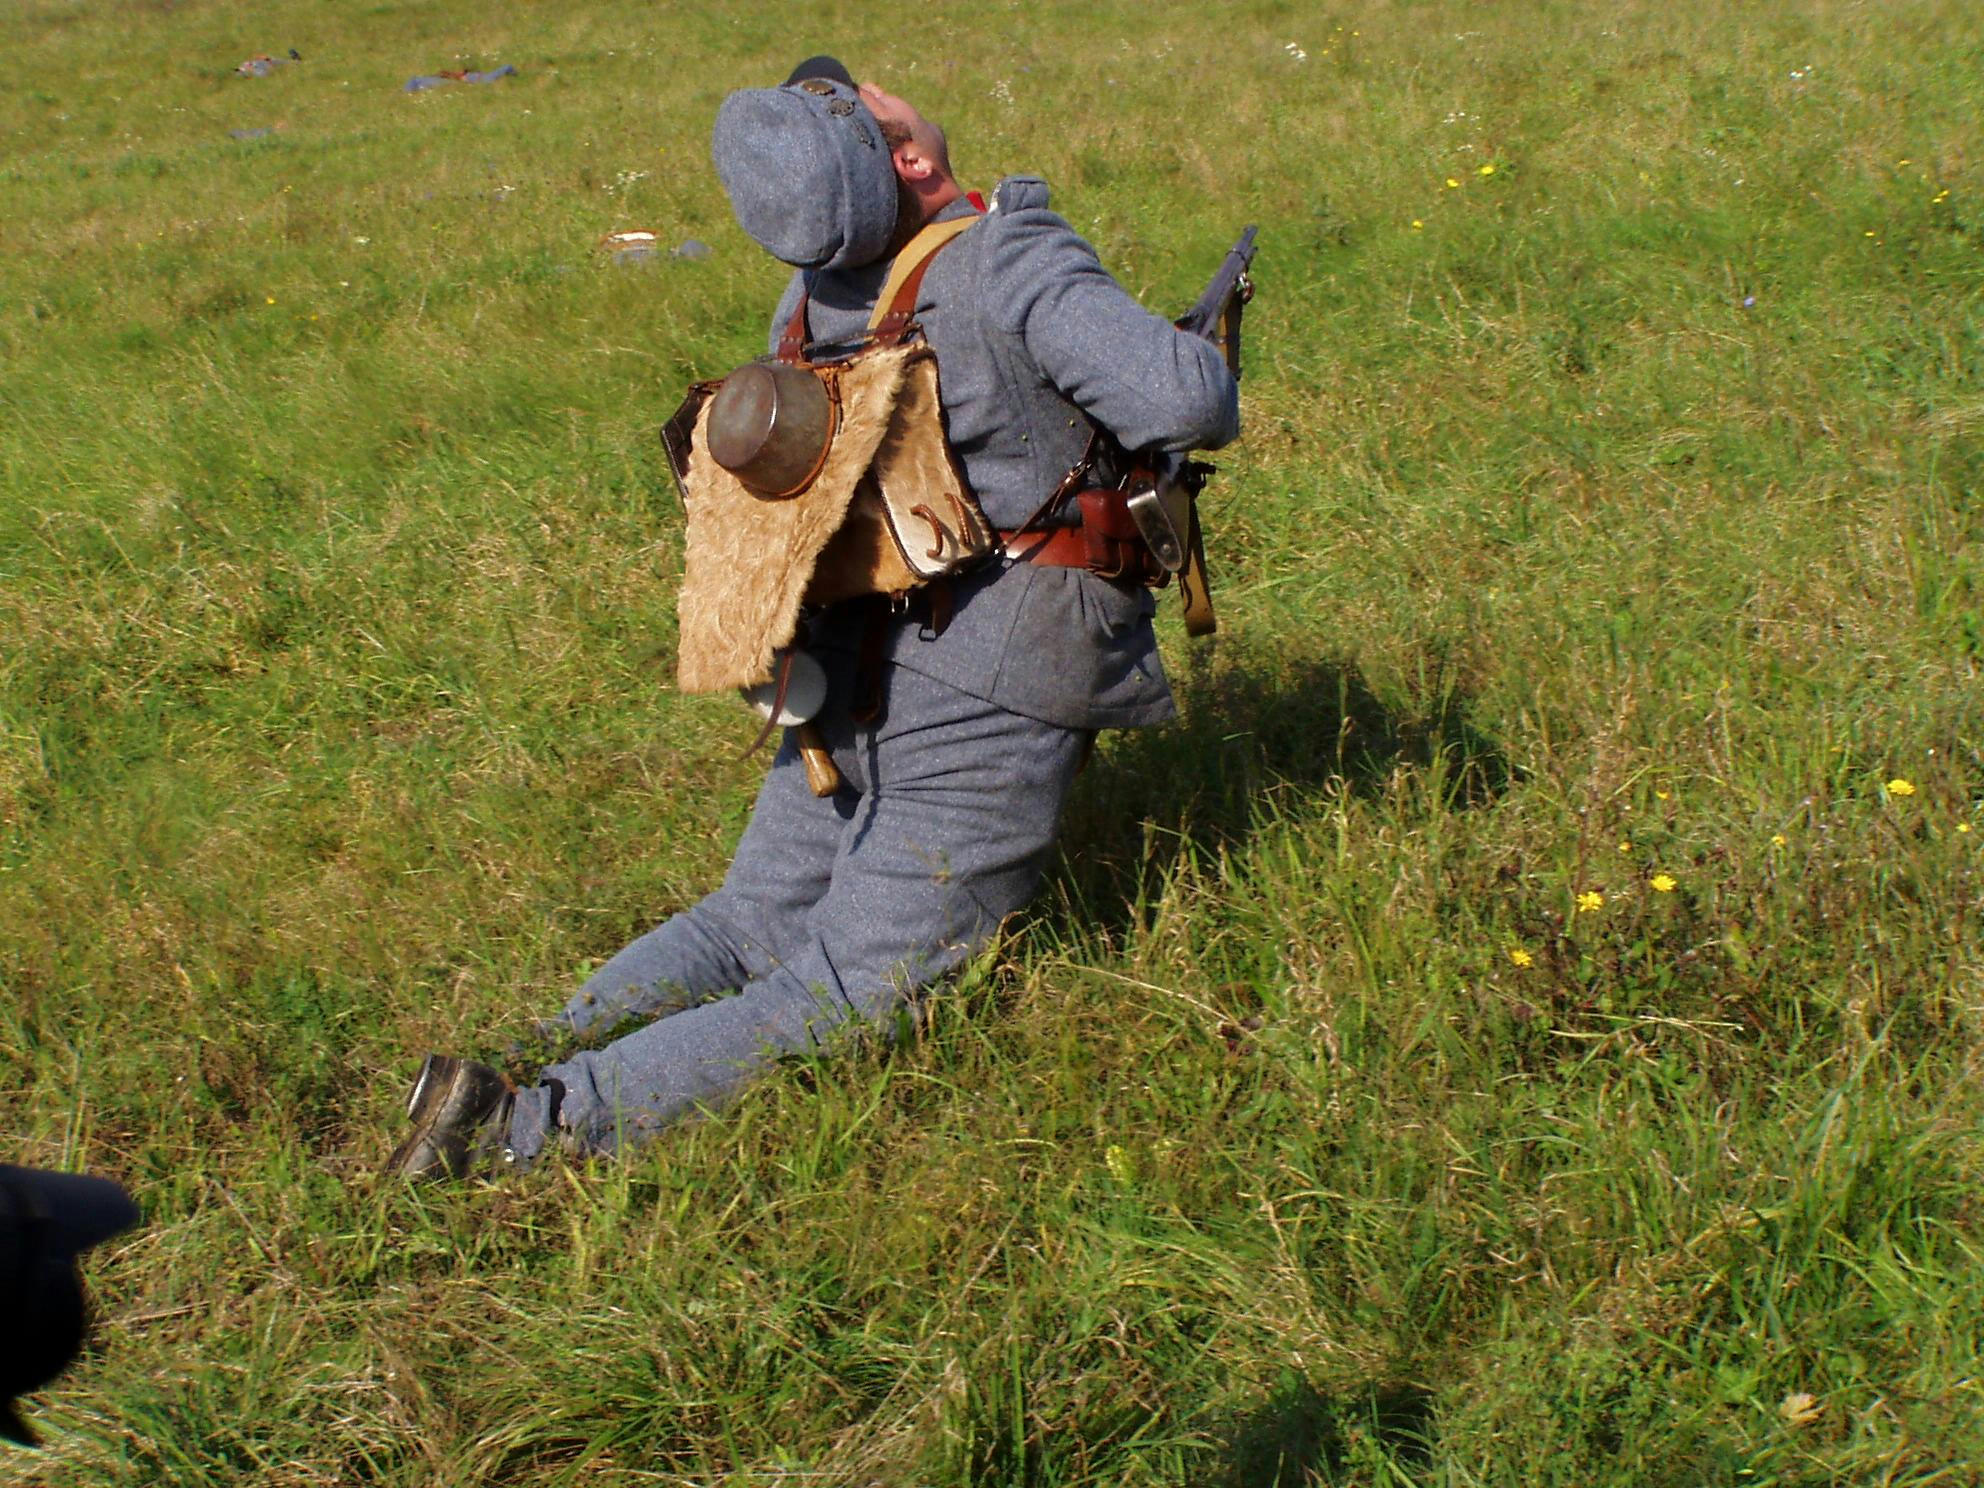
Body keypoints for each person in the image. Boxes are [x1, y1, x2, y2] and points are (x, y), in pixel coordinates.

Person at [384, 56, 1239, 1178]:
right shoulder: (1006, 255)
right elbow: (1189, 400)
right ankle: (522, 1128)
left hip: (840, 665)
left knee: (746, 923)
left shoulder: (811, 299)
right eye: (879, 108)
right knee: (849, 990)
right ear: (912, 159)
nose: (894, 89)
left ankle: (511, 1058)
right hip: (994, 677)